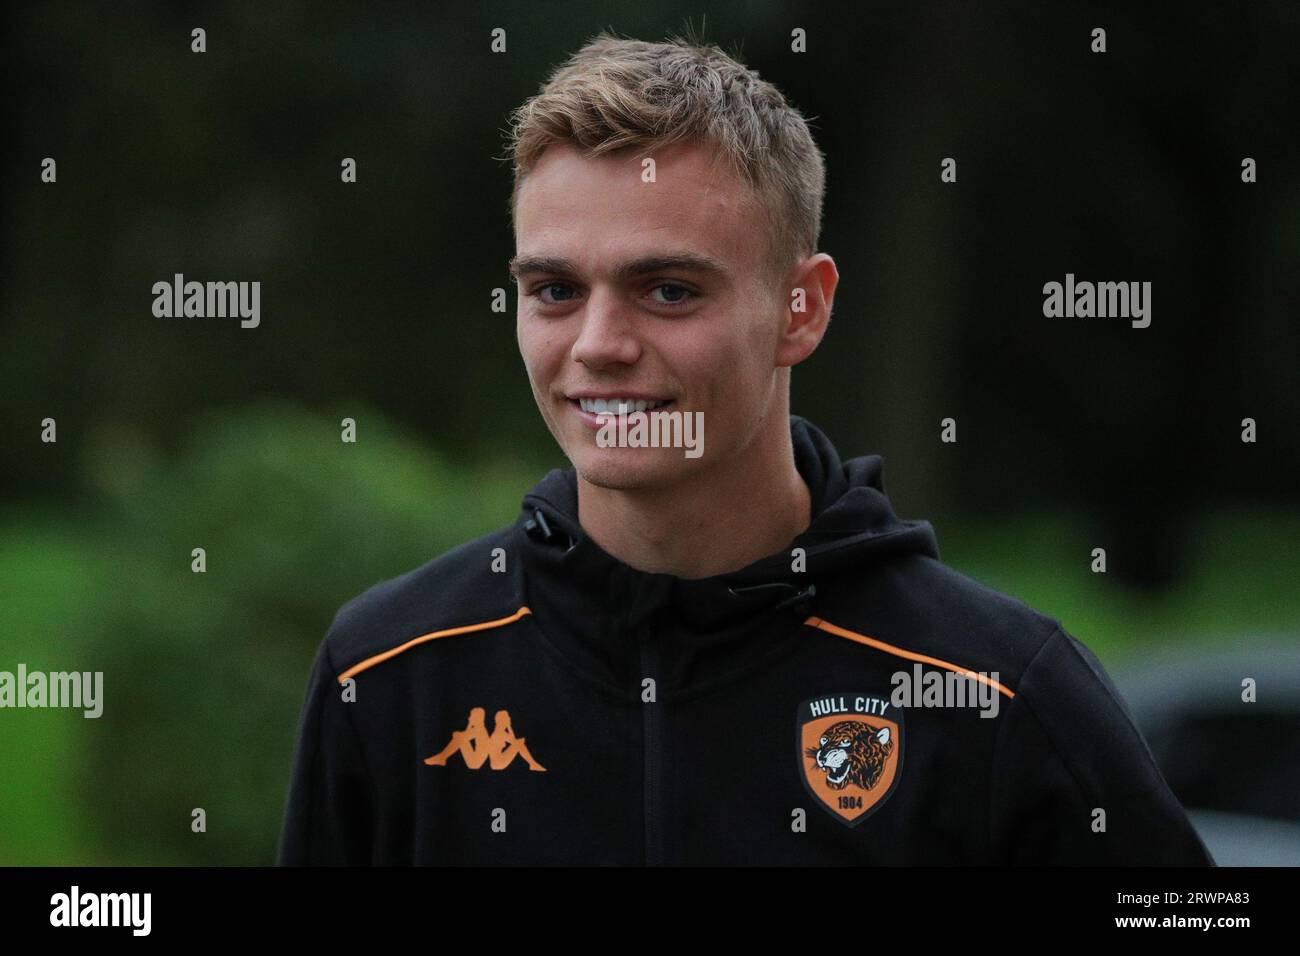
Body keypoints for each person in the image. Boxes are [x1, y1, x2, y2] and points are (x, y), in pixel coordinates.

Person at [276, 32, 1213, 865]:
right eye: (555, 290)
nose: (598, 343)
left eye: (669, 290)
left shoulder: (1001, 691)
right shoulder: (391, 670)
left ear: (802, 308)